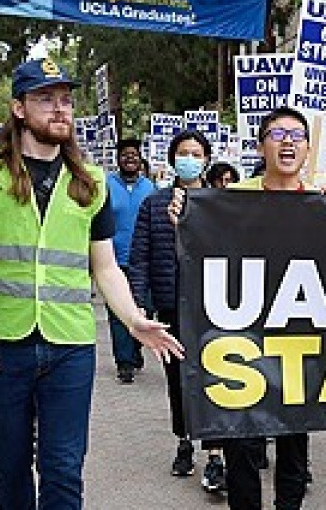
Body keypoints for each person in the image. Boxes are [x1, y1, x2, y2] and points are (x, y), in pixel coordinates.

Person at [0, 57, 181, 510]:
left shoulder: (91, 181)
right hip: (3, 343)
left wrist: (134, 320)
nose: (60, 109)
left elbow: (105, 267)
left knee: (64, 467)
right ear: (18, 108)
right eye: (45, 99)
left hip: (70, 343)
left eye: (67, 100)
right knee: (9, 464)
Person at [168, 106, 326, 510]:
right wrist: (186, 221)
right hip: (240, 338)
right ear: (261, 147)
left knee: (294, 440)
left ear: (308, 148)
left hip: (298, 341)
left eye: (296, 135)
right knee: (241, 441)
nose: (287, 142)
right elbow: (201, 255)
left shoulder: (322, 201)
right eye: (277, 134)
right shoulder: (230, 199)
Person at [129, 130, 228, 492]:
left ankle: (215, 454)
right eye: (183, 153)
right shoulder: (153, 204)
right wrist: (138, 302)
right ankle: (184, 441)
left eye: (196, 153)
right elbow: (139, 256)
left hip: (212, 306)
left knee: (214, 378)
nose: (190, 159)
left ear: (206, 159)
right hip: (170, 304)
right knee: (177, 379)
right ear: (172, 160)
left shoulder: (219, 203)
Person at [106, 138, 157, 383]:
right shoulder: (106, 185)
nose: (130, 158)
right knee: (118, 314)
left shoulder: (150, 188)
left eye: (134, 155)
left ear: (140, 159)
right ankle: (124, 362)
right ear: (118, 159)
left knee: (143, 309)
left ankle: (135, 350)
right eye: (125, 154)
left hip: (144, 262)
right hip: (114, 262)